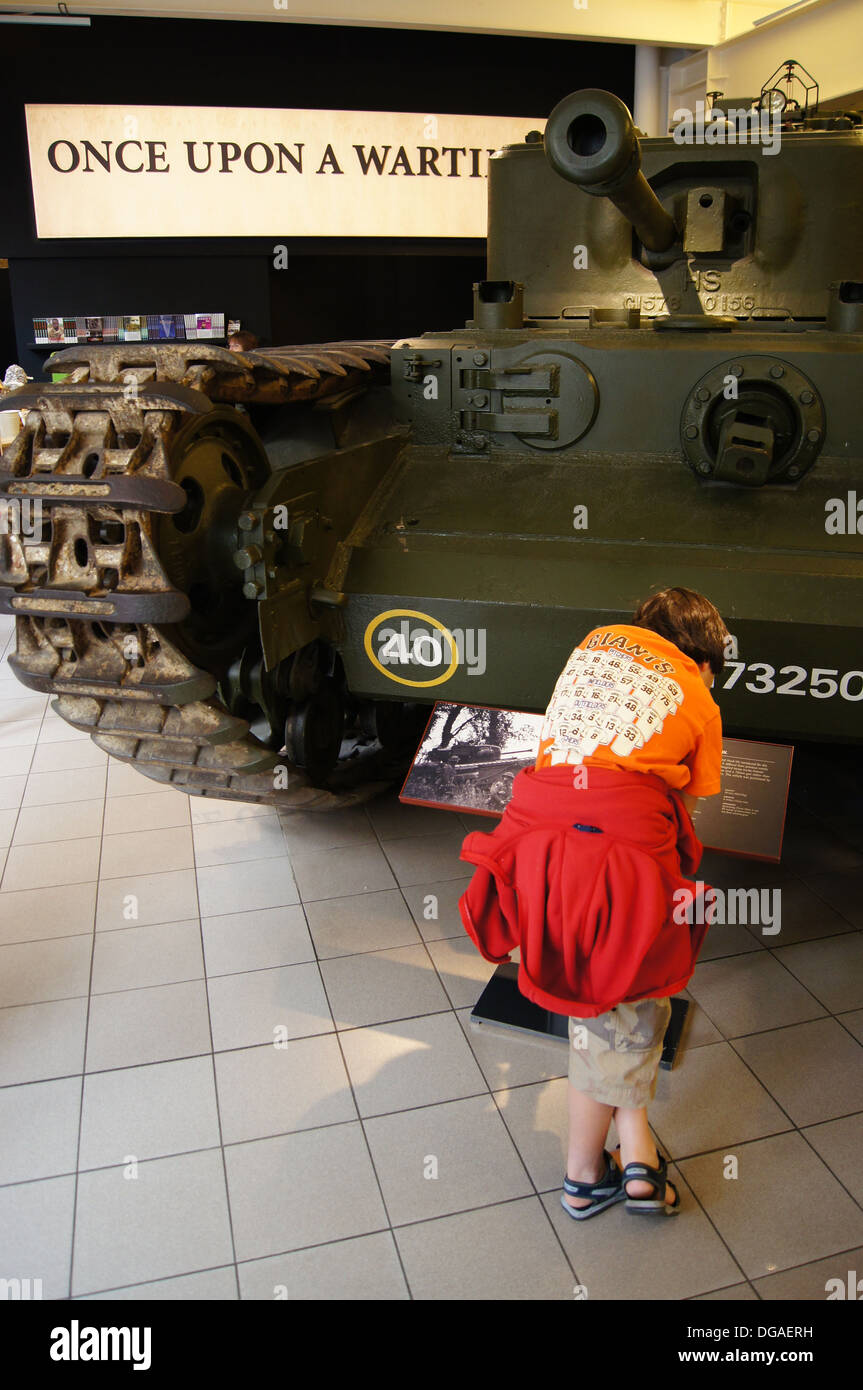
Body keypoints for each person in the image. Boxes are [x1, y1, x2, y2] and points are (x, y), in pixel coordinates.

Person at [458, 587, 727, 1220]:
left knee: (610, 1005)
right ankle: (582, 1175)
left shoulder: (590, 651)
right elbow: (691, 804)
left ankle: (638, 1154)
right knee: (621, 1003)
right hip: (622, 860)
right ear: (706, 655)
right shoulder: (698, 691)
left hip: (538, 847)